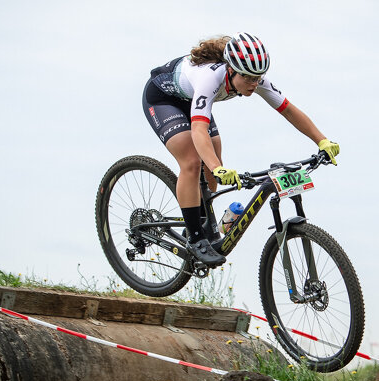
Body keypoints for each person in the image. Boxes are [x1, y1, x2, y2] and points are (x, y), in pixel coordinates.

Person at [142, 32, 339, 267]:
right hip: (163, 99)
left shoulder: (253, 78)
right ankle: (195, 238)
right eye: (248, 78)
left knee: (213, 158)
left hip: (191, 100)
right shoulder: (209, 78)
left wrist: (322, 141)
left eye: (258, 78)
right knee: (193, 161)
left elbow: (287, 109)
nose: (254, 84)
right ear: (231, 70)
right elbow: (198, 130)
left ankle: (204, 221)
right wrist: (216, 167)